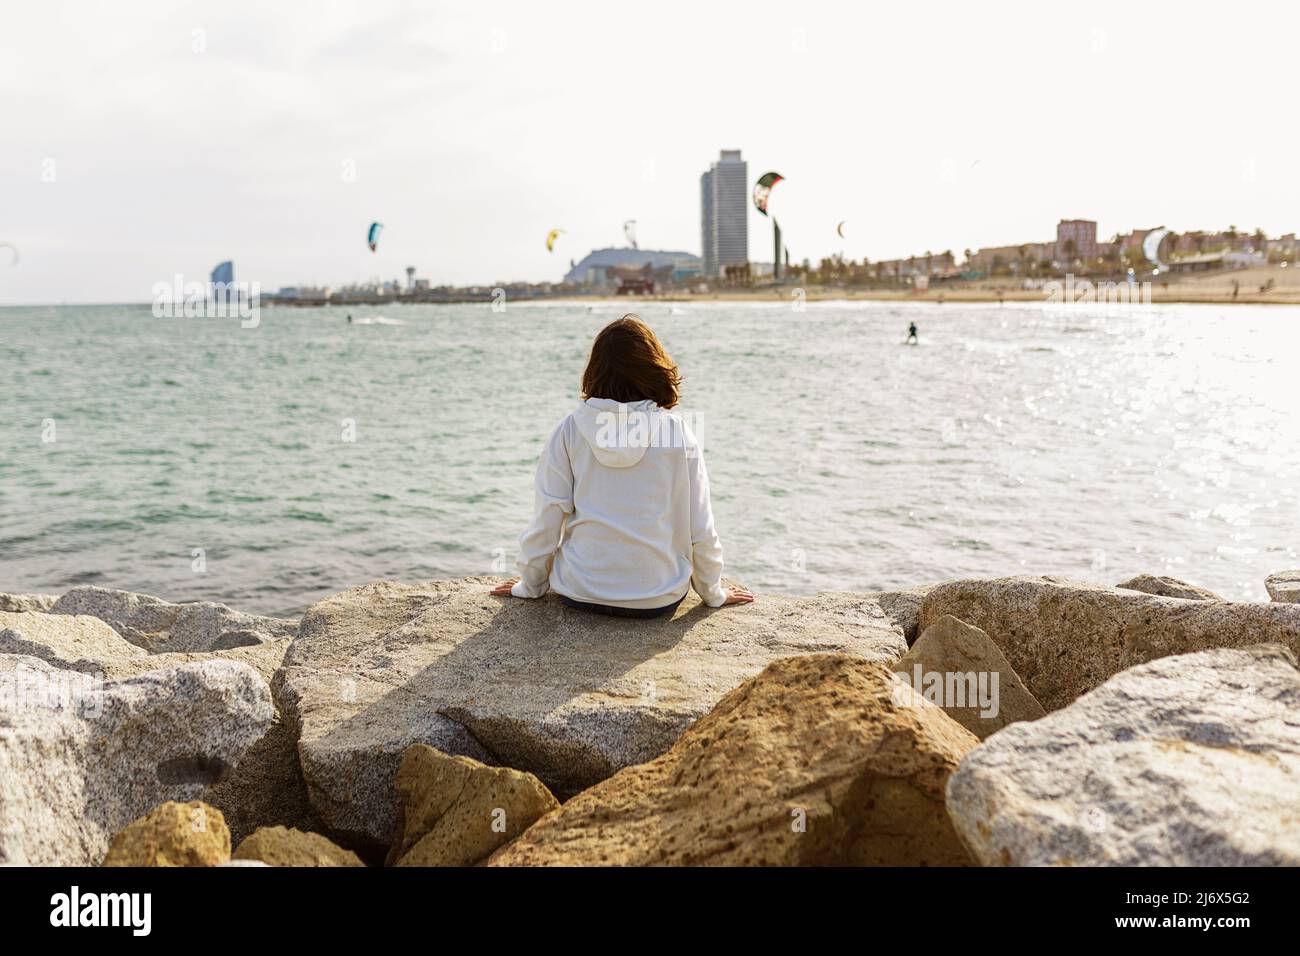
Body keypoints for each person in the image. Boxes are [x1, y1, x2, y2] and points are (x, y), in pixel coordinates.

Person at [489, 315, 753, 618]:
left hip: (580, 591)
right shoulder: (677, 432)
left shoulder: (570, 429)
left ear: (594, 371)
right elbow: (700, 526)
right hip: (657, 597)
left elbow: (548, 516)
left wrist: (530, 585)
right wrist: (712, 592)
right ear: (654, 367)